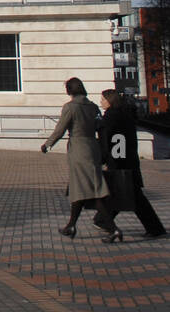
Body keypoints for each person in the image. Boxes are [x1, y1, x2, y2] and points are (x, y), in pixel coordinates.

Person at [42, 77, 119, 242]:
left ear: (69, 90)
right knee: (82, 188)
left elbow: (60, 130)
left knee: (91, 190)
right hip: (93, 148)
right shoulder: (93, 107)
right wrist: (104, 151)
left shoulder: (70, 107)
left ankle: (113, 229)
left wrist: (47, 146)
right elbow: (102, 129)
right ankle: (71, 225)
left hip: (78, 150)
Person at [99, 89, 164, 238]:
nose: (101, 102)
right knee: (128, 193)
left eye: (103, 99)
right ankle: (103, 220)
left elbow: (108, 141)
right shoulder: (124, 115)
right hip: (129, 160)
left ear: (110, 100)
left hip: (120, 161)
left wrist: (107, 160)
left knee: (129, 194)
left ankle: (103, 220)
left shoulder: (111, 117)